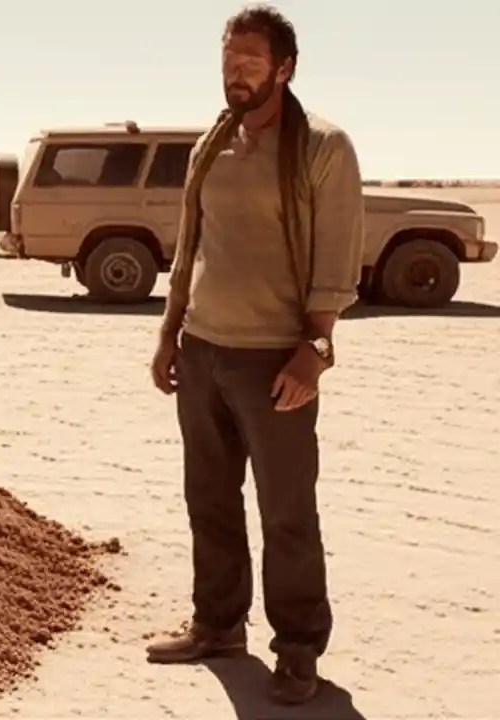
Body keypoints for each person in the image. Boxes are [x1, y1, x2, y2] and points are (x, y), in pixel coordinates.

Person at [145, 3, 364, 706]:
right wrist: (168, 331)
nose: (234, 73)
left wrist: (315, 351)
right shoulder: (213, 142)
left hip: (276, 363)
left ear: (284, 67)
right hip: (204, 352)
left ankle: (298, 649)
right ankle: (218, 625)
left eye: (249, 61)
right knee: (208, 500)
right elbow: (189, 248)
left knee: (287, 512)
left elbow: (336, 263)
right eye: (227, 60)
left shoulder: (324, 148)